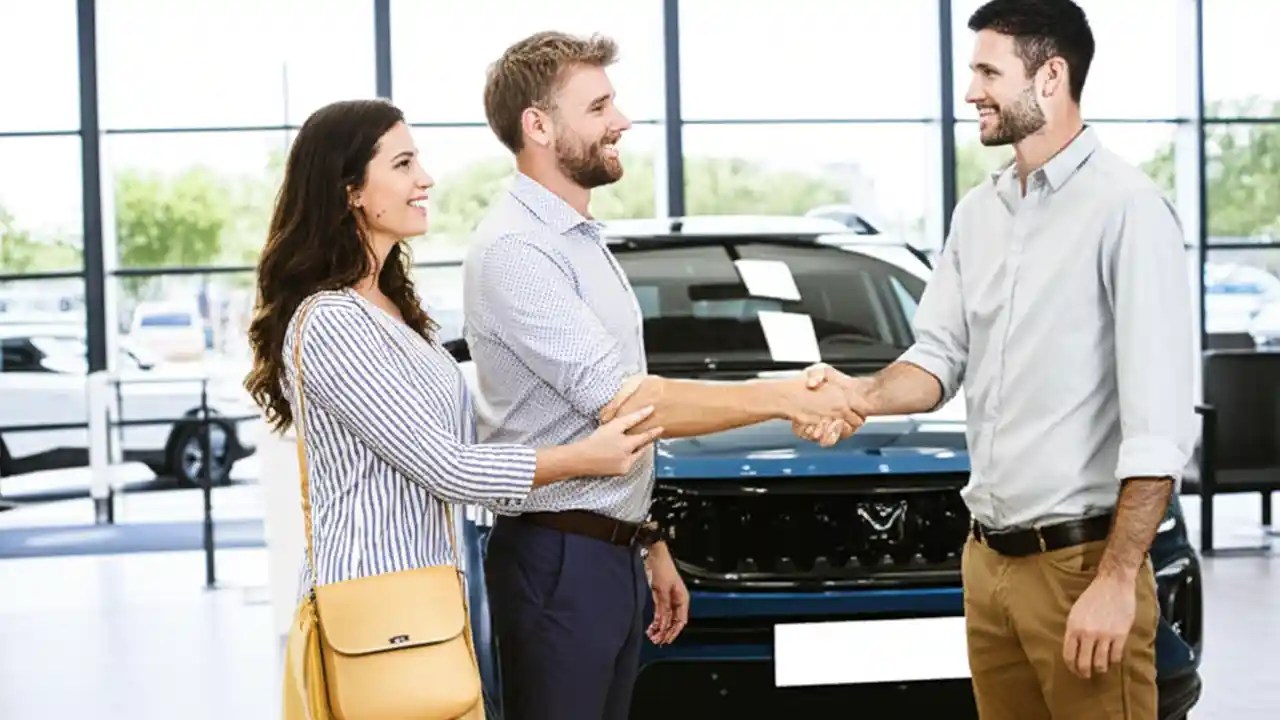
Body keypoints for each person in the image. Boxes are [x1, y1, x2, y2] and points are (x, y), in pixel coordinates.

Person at [795, 1, 1197, 718]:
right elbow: (938, 357)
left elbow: (1157, 428)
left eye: (987, 70)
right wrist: (858, 396)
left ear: (1050, 76)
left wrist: (1115, 580)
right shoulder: (978, 214)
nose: (971, 91)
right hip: (988, 566)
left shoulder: (1127, 210)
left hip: (1081, 567)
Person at [462, 31, 861, 720]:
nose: (621, 121)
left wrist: (647, 538)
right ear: (538, 126)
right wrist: (789, 396)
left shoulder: (580, 242)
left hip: (606, 551)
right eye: (598, 107)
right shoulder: (518, 251)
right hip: (559, 559)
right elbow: (632, 405)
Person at [242, 98, 666, 713]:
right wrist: (583, 457)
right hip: (377, 607)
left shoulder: (393, 314)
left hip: (426, 600)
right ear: (351, 191)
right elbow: (450, 467)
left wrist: (639, 531)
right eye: (404, 163)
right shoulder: (332, 320)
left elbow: (475, 454)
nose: (426, 179)